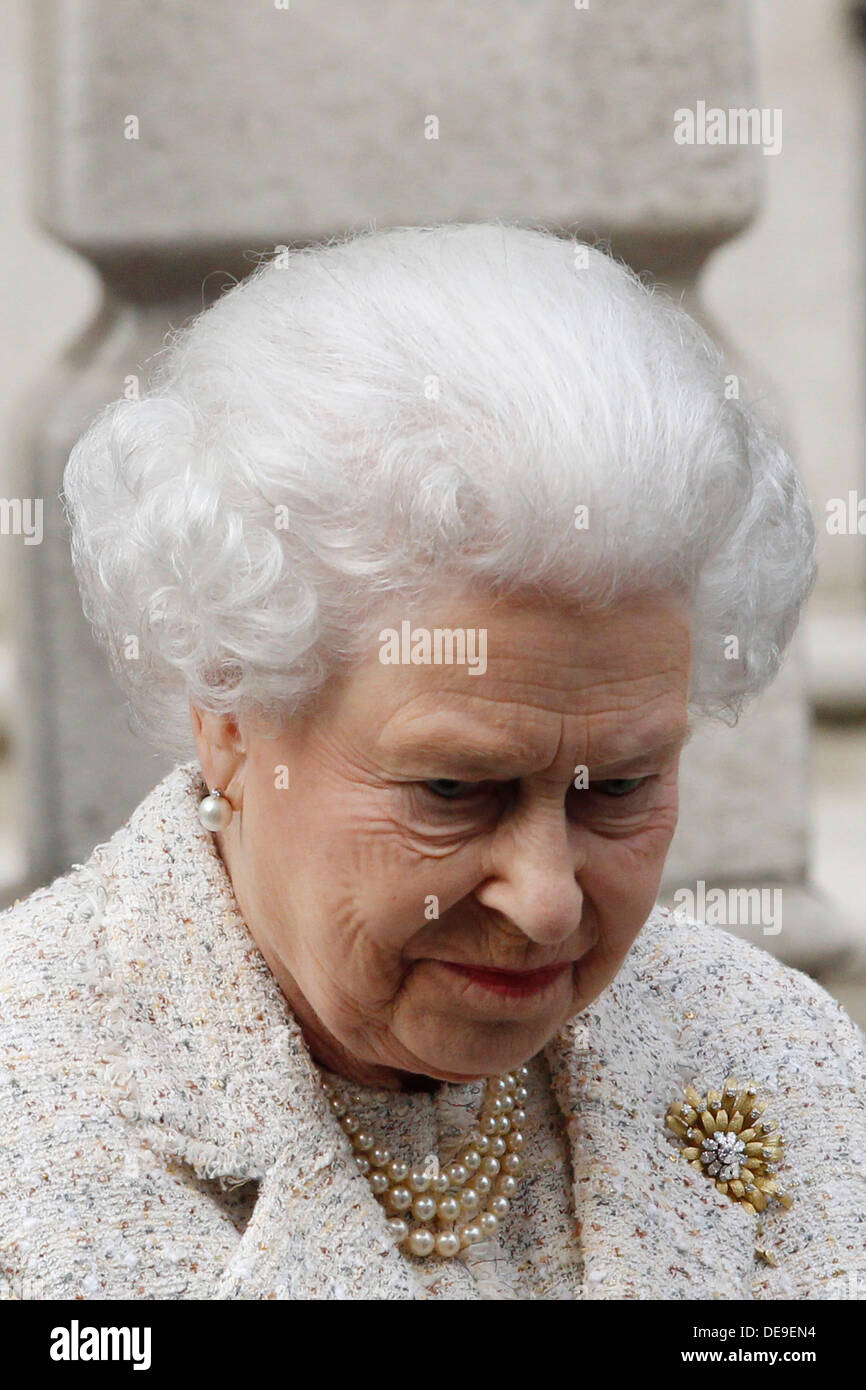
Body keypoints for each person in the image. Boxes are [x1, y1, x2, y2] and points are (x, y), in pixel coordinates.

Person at [1, 222, 863, 1300]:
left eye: (620, 789)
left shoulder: (769, 1047)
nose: (546, 900)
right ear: (230, 710)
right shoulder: (28, 1102)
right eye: (454, 791)